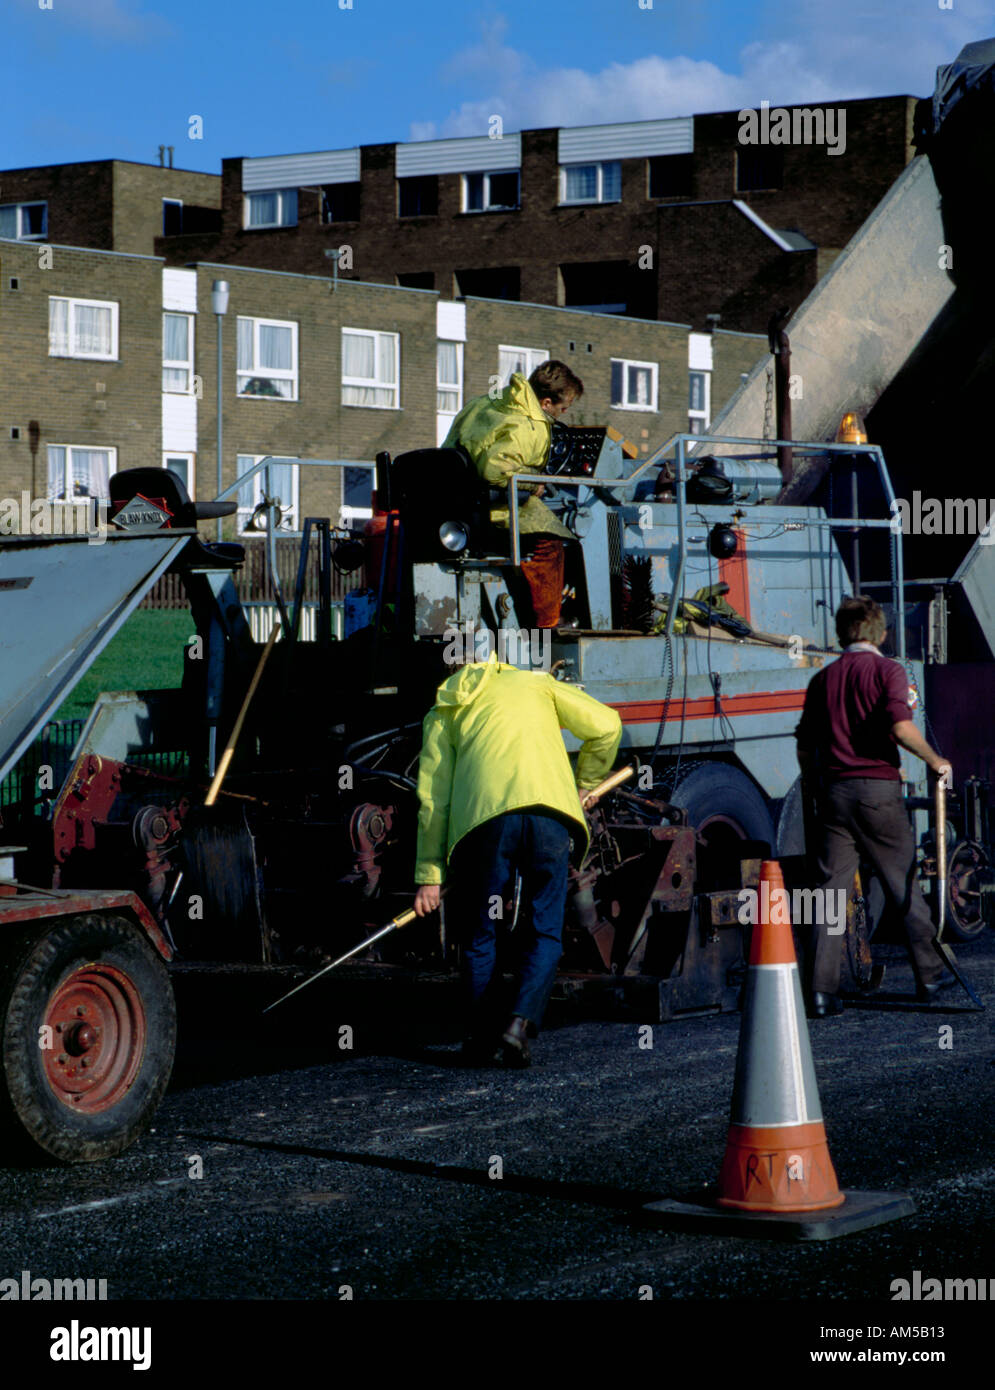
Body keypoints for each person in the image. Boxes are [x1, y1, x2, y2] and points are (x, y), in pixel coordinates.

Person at [412, 650, 622, 1065]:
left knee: (480, 931)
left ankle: (478, 1039)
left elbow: (433, 800)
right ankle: (519, 1026)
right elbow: (608, 725)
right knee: (545, 929)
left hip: (486, 825)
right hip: (550, 819)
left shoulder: (446, 709)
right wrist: (586, 784)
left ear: (454, 670)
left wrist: (429, 875)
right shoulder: (537, 685)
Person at [795, 595, 955, 1017]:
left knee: (829, 894)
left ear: (840, 633)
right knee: (902, 884)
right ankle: (929, 976)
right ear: (881, 634)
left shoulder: (822, 680)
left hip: (834, 794)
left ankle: (820, 991)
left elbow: (805, 744)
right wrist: (935, 760)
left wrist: (814, 785)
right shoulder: (889, 671)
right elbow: (901, 728)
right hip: (878, 793)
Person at [443, 360, 584, 628]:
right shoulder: (527, 424)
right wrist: (533, 484)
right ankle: (547, 624)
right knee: (551, 545)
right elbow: (495, 470)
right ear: (545, 403)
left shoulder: (482, 404)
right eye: (563, 409)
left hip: (454, 507)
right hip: (489, 510)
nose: (563, 414)